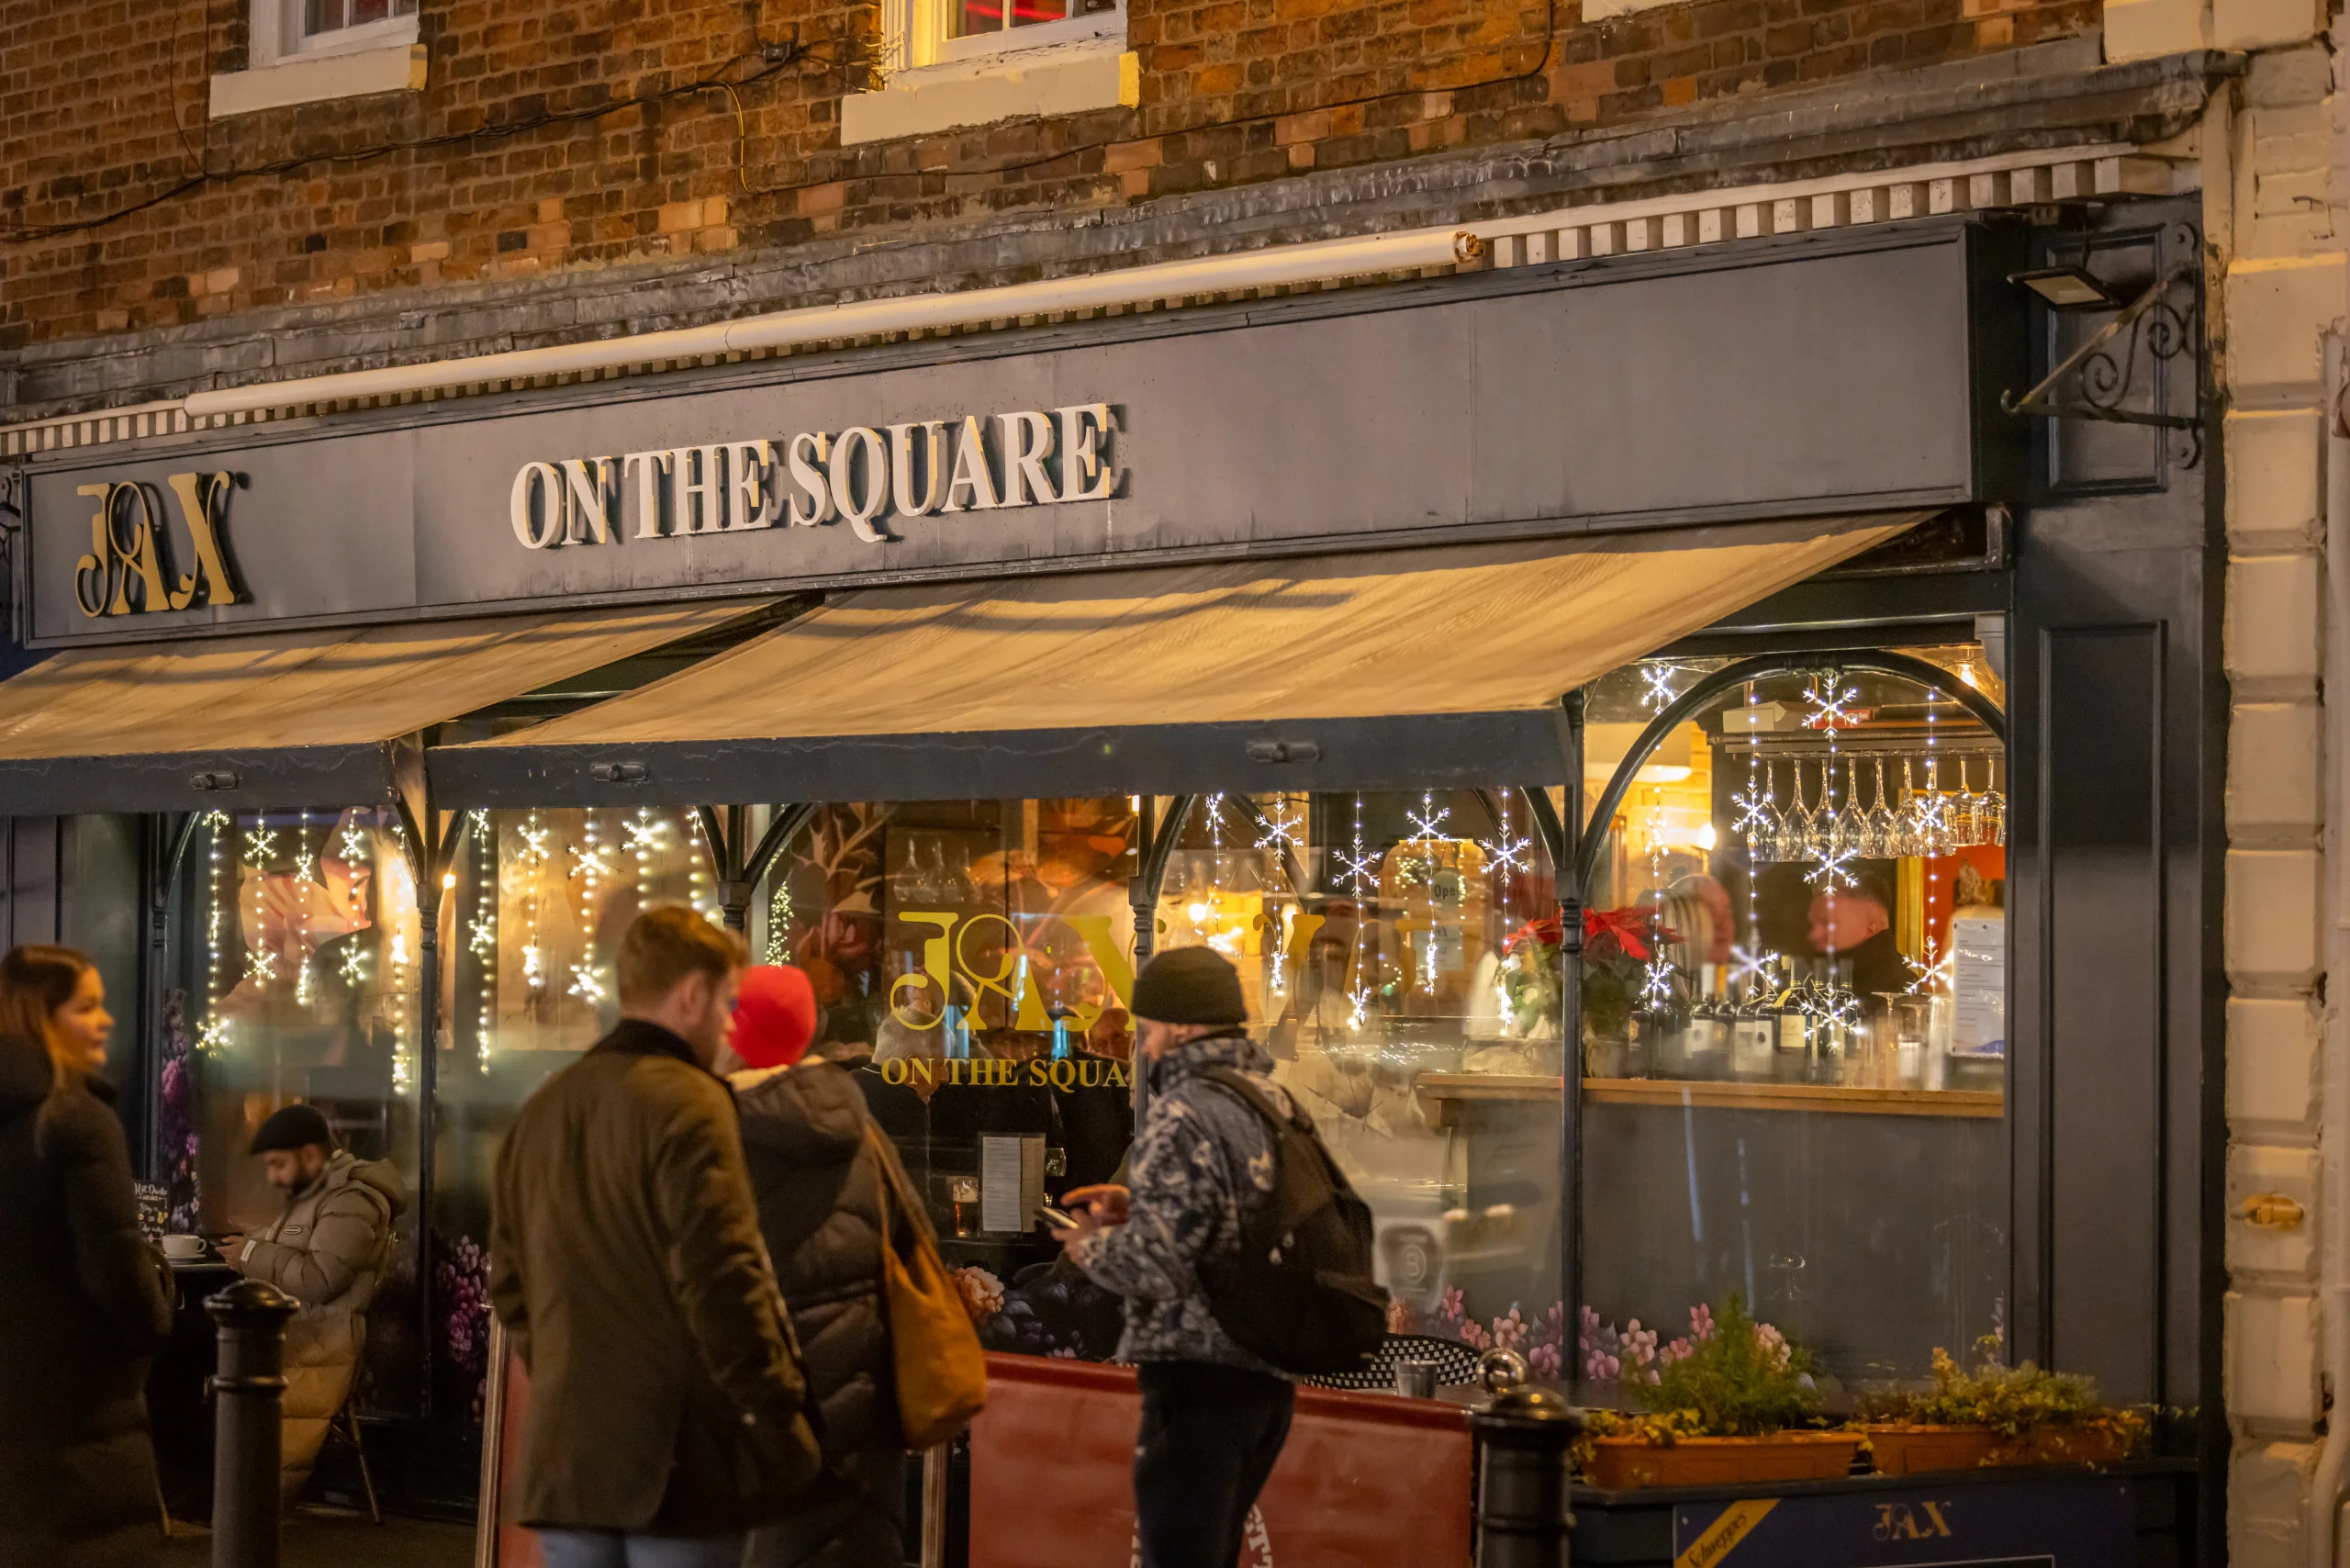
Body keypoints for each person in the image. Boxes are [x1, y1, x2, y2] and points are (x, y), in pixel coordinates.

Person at [490, 908, 822, 1568]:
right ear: (692, 995)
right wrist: (777, 1413)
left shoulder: (545, 1107)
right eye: (727, 1002)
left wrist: (567, 1366)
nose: (729, 1024)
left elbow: (509, 1283)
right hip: (676, 1458)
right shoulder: (690, 1101)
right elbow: (722, 1274)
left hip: (569, 1455)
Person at [1058, 946, 1294, 1568]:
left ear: (1184, 1027)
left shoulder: (1184, 1112)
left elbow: (1158, 1268)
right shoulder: (1269, 1100)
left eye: (1148, 1029)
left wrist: (1091, 1247)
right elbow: (1231, 1221)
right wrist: (1140, 1205)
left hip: (1198, 1382)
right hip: (1264, 1372)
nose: (1143, 1047)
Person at [730, 965, 912, 1568]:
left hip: (768, 1414)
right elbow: (913, 1241)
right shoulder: (861, 1126)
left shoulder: (718, 1133)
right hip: (864, 1412)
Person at [0, 945, 173, 1568]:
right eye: (87, 1007)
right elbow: (119, 1280)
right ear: (43, 1019)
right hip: (75, 1420)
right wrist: (156, 1314)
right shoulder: (74, 1121)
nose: (105, 1022)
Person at [222, 1102, 406, 1496]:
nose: (274, 1175)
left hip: (318, 1339)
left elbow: (321, 1279)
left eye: (279, 1163)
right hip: (296, 1328)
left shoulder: (351, 1199)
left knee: (197, 1356)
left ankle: (226, 1493)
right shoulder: (318, 1191)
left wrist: (252, 1255)